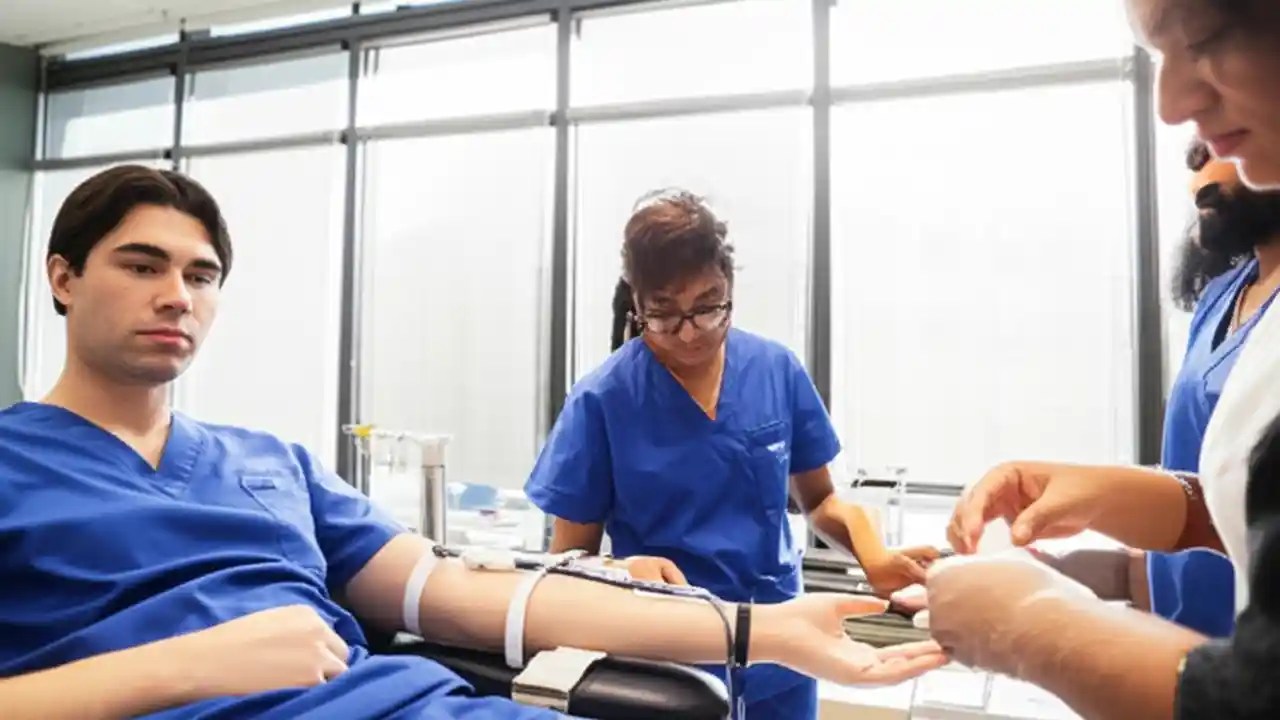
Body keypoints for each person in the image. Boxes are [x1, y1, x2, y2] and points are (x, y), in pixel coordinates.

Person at [0, 166, 949, 720]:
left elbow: (463, 596)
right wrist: (184, 665)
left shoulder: (271, 464)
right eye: (142, 265)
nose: (178, 295)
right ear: (63, 277)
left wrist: (768, 629)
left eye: (202, 275)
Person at [922, 2, 1280, 718]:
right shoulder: (1231, 300)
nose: (1172, 104)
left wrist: (1027, 624)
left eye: (1205, 40)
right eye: (1157, 58)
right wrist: (1131, 500)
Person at [524, 189, 940, 720]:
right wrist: (623, 569)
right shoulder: (602, 399)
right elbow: (570, 562)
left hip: (784, 642)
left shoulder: (774, 369)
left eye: (708, 305)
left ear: (731, 286)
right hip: (668, 656)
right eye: (665, 315)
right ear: (637, 304)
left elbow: (822, 502)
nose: (692, 331)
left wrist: (873, 555)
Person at [983, 140, 1280, 639]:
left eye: (1224, 141)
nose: (1198, 174)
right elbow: (1202, 506)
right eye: (1195, 155)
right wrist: (1059, 573)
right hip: (1185, 642)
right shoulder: (1221, 297)